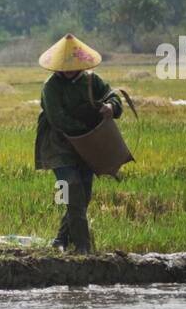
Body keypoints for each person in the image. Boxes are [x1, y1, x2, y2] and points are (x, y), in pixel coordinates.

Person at [35, 34, 123, 254]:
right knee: (71, 188)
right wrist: (88, 131)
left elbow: (114, 97)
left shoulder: (93, 80)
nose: (69, 70)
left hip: (87, 143)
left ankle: (60, 240)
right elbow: (58, 119)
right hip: (59, 144)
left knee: (83, 194)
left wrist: (111, 107)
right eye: (65, 66)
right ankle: (83, 246)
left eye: (74, 66)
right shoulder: (51, 87)